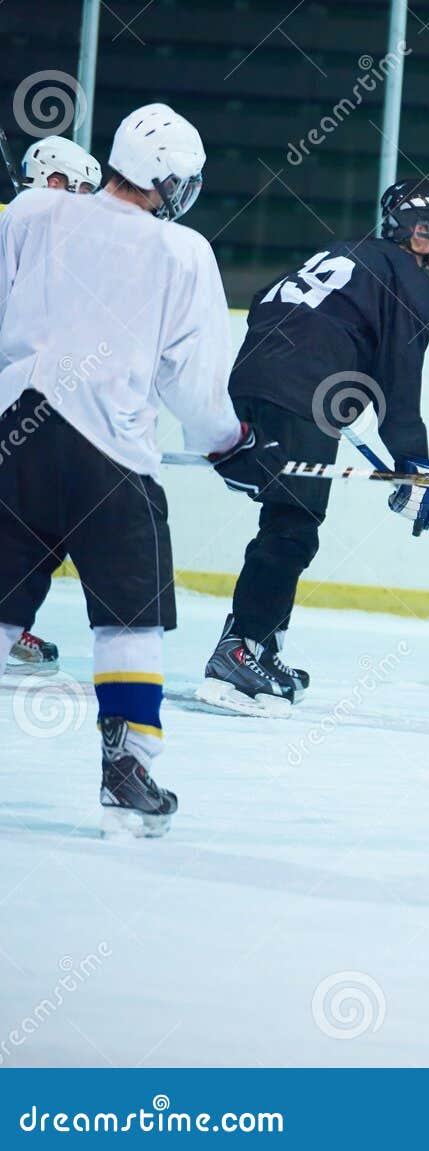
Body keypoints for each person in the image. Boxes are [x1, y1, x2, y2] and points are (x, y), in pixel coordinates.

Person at [0, 103, 286, 836]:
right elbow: (193, 386)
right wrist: (230, 444)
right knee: (130, 621)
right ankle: (128, 770)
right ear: (168, 181)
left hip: (15, 439)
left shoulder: (33, 211)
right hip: (112, 462)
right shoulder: (181, 252)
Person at [198, 178, 429, 717]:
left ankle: (260, 645)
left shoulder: (345, 254)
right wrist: (414, 462)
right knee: (293, 525)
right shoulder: (410, 280)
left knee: (284, 517)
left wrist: (327, 394)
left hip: (252, 380)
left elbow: (267, 303)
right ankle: (241, 649)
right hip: (297, 391)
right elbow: (398, 378)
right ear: (417, 233)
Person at [2, 135, 103, 675]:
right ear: (54, 181)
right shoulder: (34, 209)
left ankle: (12, 622)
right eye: (79, 187)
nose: (86, 200)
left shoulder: (33, 219)